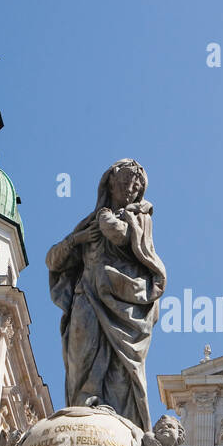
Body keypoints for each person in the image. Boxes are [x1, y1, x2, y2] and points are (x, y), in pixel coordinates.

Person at [46, 160, 166, 431]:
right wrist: (76, 240)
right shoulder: (88, 224)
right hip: (86, 296)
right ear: (111, 182)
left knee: (120, 369)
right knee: (82, 353)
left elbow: (122, 237)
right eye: (125, 182)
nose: (130, 190)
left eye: (136, 188)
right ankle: (80, 411)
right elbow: (52, 261)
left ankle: (119, 423)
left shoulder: (139, 218)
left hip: (125, 306)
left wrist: (109, 220)